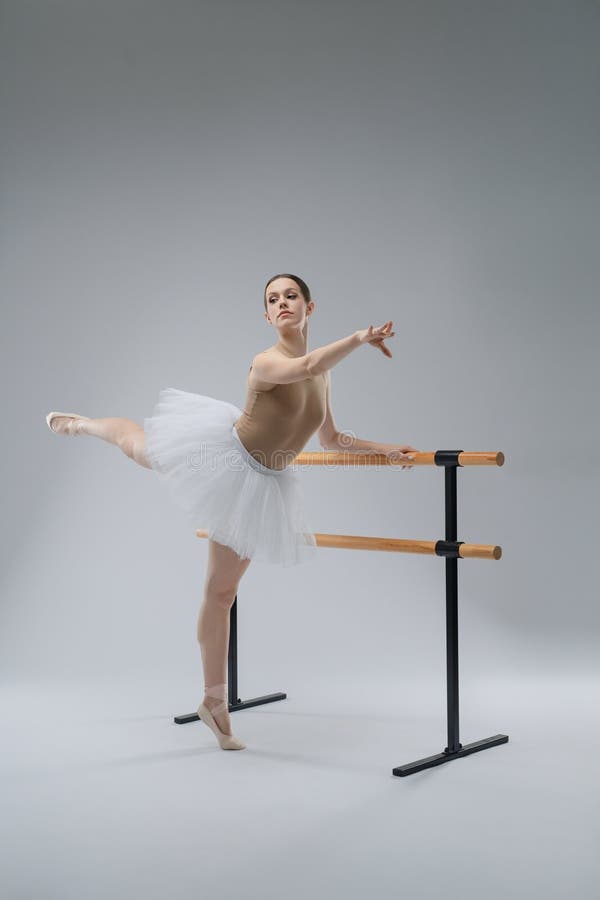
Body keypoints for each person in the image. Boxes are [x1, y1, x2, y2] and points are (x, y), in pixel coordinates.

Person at [46, 273, 417, 751]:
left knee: (222, 593)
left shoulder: (324, 374)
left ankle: (214, 703)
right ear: (266, 316)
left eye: (291, 296)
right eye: (272, 299)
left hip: (264, 483)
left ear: (309, 306)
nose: (282, 303)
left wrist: (388, 451)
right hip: (225, 461)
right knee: (139, 446)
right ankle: (86, 425)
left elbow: (331, 439)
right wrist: (360, 337)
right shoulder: (268, 362)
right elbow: (304, 364)